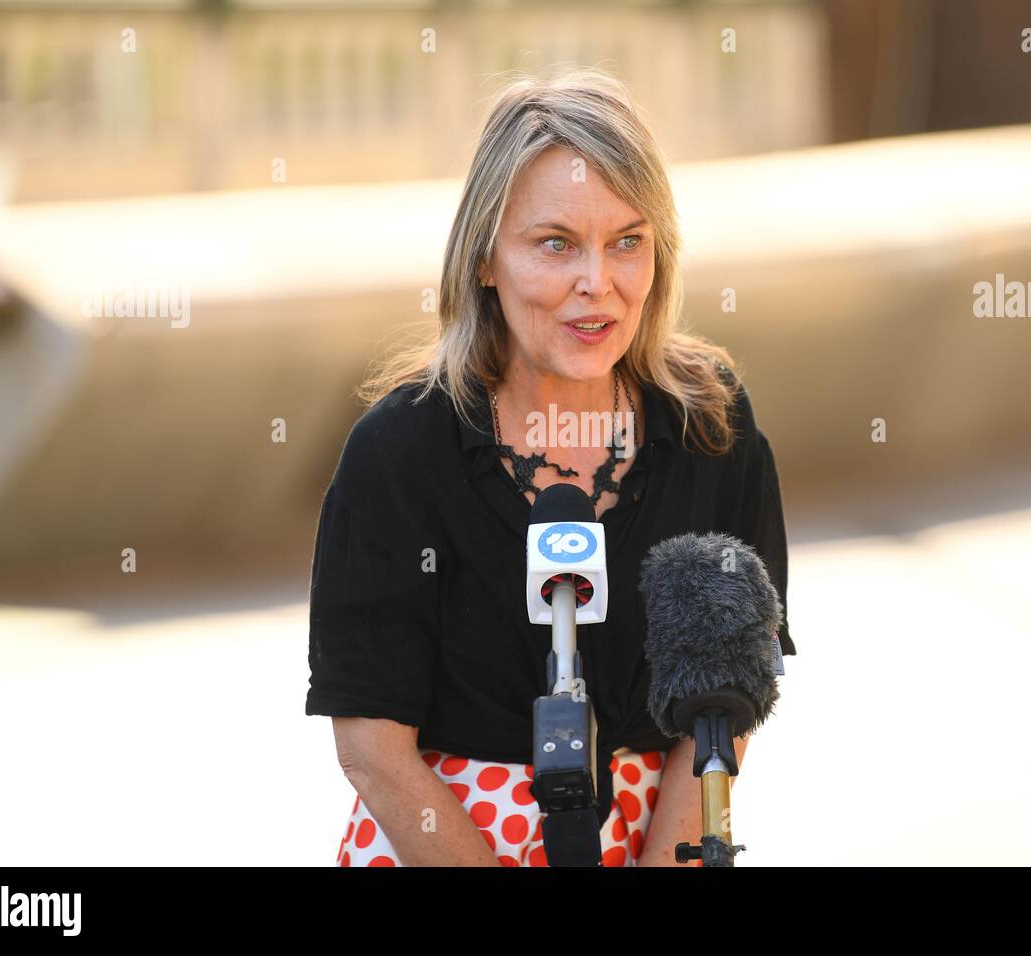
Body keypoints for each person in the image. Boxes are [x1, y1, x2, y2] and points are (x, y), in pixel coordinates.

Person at [306, 66, 794, 867]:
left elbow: (731, 699)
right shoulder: (398, 452)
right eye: (556, 244)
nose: (596, 284)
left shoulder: (713, 428)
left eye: (627, 242)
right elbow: (370, 745)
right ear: (485, 259)